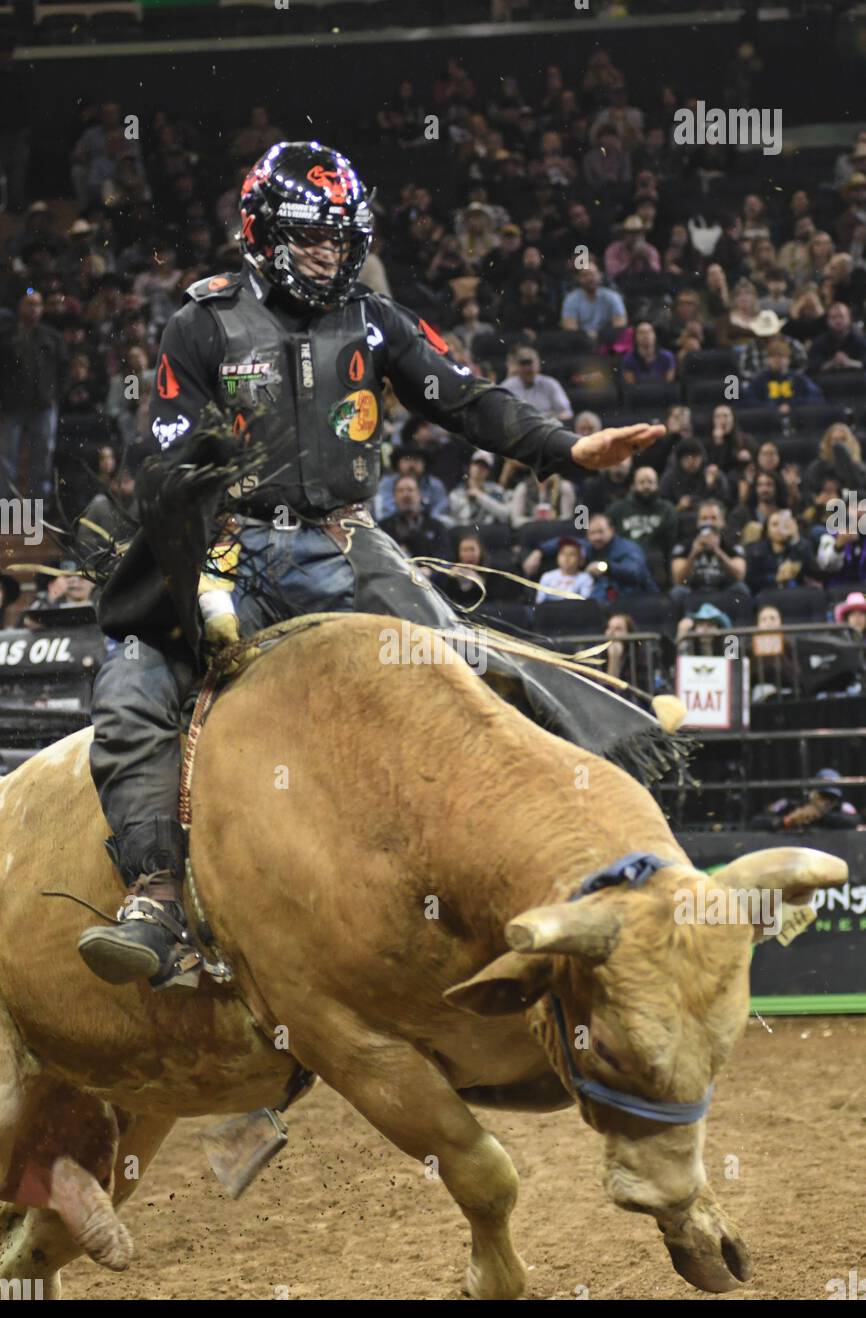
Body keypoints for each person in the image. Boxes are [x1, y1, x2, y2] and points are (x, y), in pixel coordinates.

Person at [77, 139, 664, 989]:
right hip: (224, 546)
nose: (333, 256)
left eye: (343, 240)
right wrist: (190, 483)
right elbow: (160, 460)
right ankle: (156, 898)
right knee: (131, 686)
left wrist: (571, 449)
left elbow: (465, 397)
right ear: (264, 235)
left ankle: (594, 830)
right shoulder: (199, 322)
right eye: (314, 239)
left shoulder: (374, 319)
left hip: (343, 543)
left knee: (462, 667)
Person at [0, 292, 67, 502]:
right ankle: (6, 503)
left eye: (38, 305)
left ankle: (39, 504)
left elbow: (64, 369)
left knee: (43, 456)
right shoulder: (6, 336)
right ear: (20, 307)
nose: (34, 309)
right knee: (6, 458)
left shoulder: (52, 336)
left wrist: (56, 395)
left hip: (44, 404)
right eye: (29, 304)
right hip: (12, 404)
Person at [607, 464, 677, 588]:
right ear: (633, 486)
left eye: (650, 482)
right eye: (642, 482)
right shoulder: (617, 509)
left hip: (656, 561)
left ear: (657, 485)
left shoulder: (667, 509)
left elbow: (670, 542)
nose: (646, 486)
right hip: (626, 558)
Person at [670, 500, 748, 603]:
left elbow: (739, 576)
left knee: (740, 589)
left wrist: (717, 551)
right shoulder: (685, 546)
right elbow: (679, 579)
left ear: (722, 522)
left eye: (714, 518)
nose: (709, 522)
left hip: (723, 591)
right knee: (678, 592)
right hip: (693, 592)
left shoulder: (731, 545)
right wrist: (694, 553)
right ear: (698, 522)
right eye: (704, 518)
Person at [582, 513, 657, 602]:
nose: (596, 537)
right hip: (605, 601)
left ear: (611, 530)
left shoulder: (627, 548)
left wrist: (606, 567)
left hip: (638, 599)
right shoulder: (588, 549)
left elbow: (635, 572)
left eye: (600, 531)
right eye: (592, 533)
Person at [500, 347, 571, 421]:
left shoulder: (550, 384)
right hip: (518, 427)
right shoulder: (507, 386)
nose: (527, 368)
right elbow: (500, 414)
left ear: (538, 364)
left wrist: (552, 421)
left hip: (547, 427)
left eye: (530, 363)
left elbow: (566, 413)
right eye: (523, 364)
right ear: (517, 366)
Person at [447, 450, 510, 526]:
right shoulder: (458, 491)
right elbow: (452, 517)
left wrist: (480, 496)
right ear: (470, 466)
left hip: (487, 531)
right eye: (477, 464)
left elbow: (505, 515)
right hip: (463, 530)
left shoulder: (496, 490)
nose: (479, 469)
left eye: (484, 466)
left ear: (489, 471)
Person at [535, 536, 593, 603]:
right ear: (557, 557)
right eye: (563, 553)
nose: (566, 557)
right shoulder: (547, 576)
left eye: (572, 554)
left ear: (581, 560)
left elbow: (585, 603)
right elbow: (539, 603)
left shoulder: (585, 578)